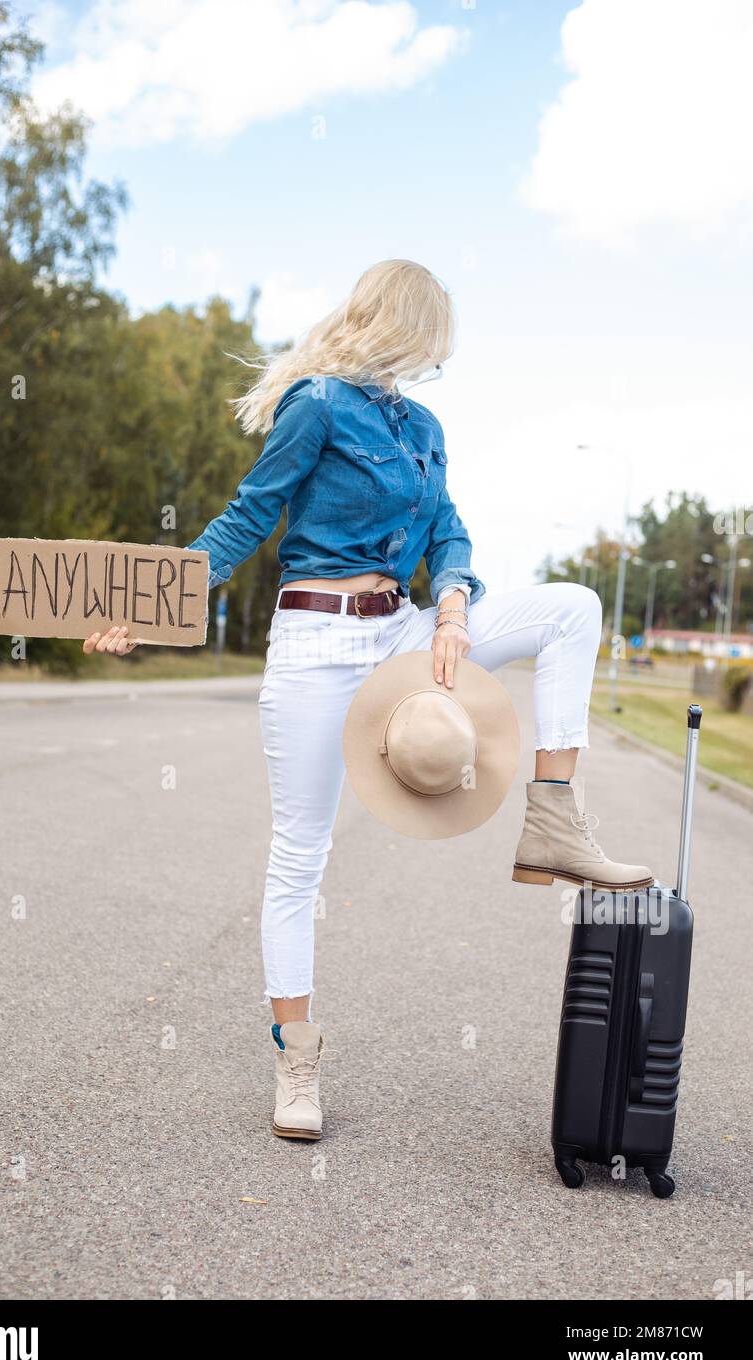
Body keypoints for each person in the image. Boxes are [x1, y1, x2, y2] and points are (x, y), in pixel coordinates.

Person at [84, 259, 652, 1142]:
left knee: (573, 607)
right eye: (431, 340)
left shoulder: (424, 425)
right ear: (401, 324)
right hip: (316, 643)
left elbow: (451, 529)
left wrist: (455, 601)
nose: (434, 361)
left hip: (404, 631)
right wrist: (143, 608)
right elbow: (245, 517)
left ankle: (554, 818)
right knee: (299, 857)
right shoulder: (316, 404)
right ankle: (296, 1057)